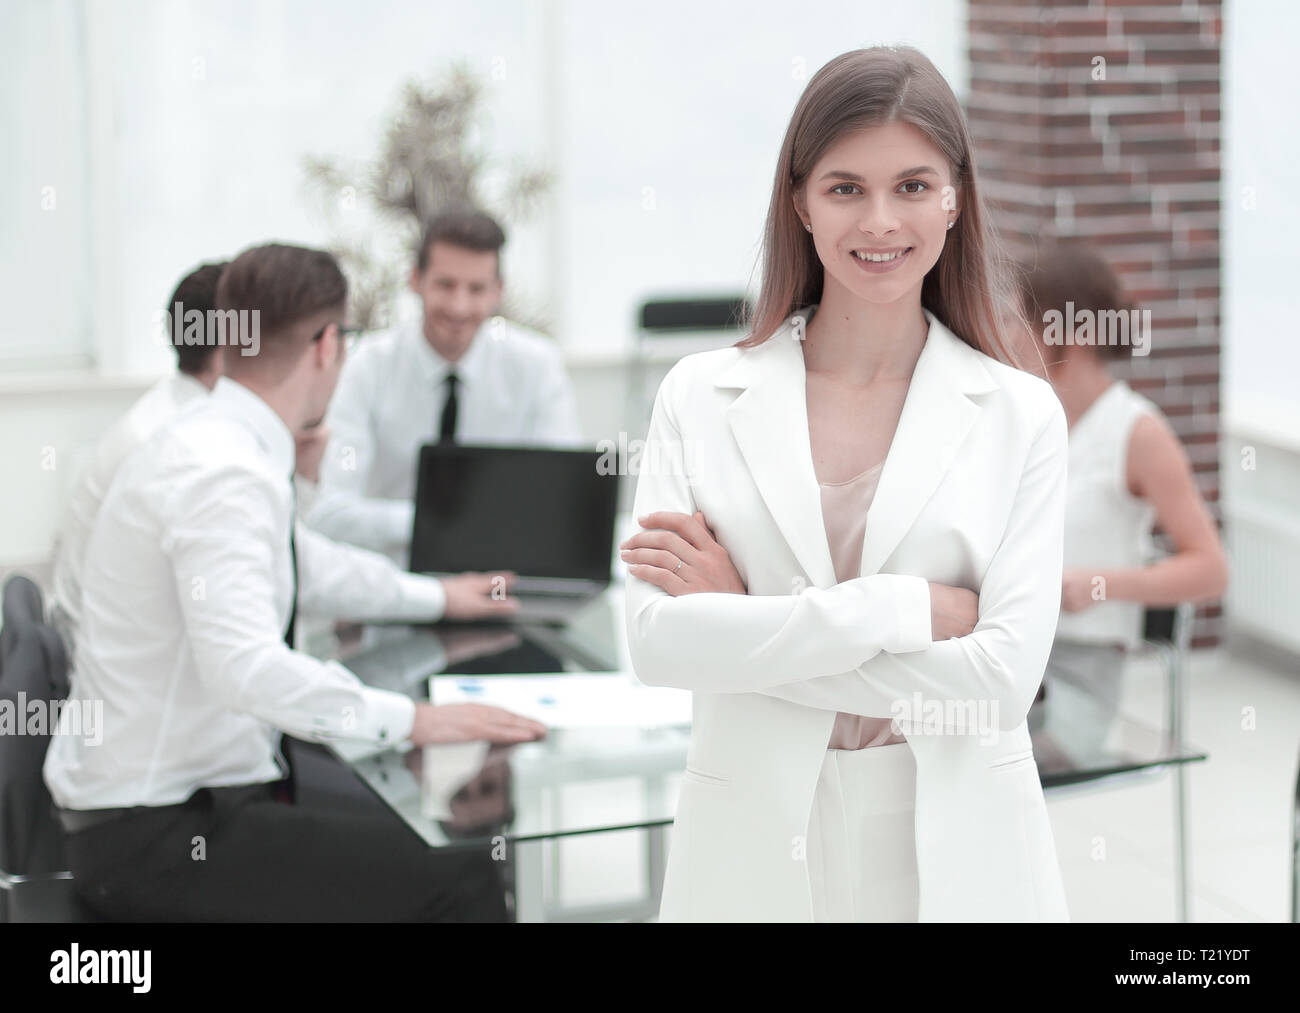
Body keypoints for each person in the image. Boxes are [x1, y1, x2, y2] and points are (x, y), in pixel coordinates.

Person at [621, 46, 1071, 922]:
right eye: (844, 188)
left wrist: (746, 624)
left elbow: (997, 685)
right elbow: (658, 646)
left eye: (911, 186)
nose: (879, 221)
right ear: (800, 200)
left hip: (955, 843)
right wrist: (904, 610)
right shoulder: (700, 396)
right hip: (751, 837)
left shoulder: (1021, 415)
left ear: (954, 199)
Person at [43, 242, 546, 922]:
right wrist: (416, 719)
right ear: (327, 346)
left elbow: (304, 561)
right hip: (157, 832)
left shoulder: (211, 441)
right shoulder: (224, 472)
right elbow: (244, 668)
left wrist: (439, 595)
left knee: (398, 816)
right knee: (463, 870)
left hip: (164, 797)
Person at [1014, 242, 1229, 725]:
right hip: (1013, 656)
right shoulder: (1030, 419)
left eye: (1019, 320)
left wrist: (1098, 585)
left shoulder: (1137, 432)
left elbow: (1211, 570)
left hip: (1075, 677)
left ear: (1065, 331)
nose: (1007, 335)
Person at [306, 208, 584, 562]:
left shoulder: (537, 365)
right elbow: (328, 510)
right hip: (391, 585)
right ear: (415, 280)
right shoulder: (367, 366)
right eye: (445, 285)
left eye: (476, 289)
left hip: (502, 578)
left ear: (498, 291)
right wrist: (439, 522)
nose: (459, 306)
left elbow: (560, 500)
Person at [48, 261, 227, 653]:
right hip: (106, 661)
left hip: (92, 638)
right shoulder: (181, 444)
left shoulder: (172, 410)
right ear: (225, 349)